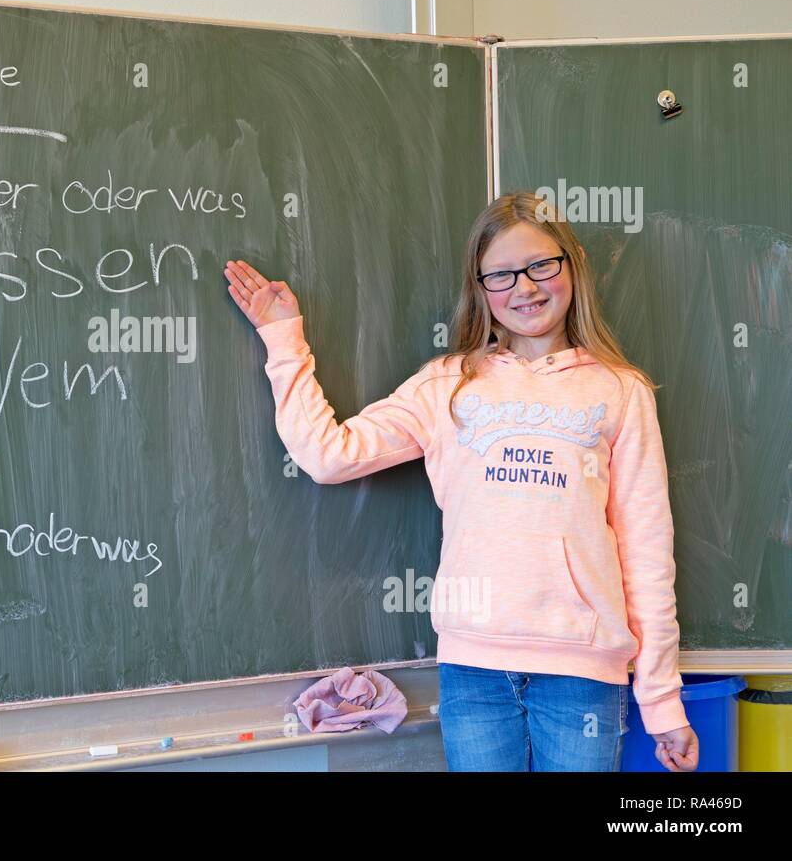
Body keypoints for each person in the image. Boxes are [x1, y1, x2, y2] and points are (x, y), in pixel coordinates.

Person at [225, 192, 699, 772]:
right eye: (501, 274)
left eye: (541, 265)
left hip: (583, 671)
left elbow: (648, 553)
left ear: (570, 265)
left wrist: (662, 703)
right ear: (480, 287)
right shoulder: (446, 386)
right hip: (474, 669)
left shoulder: (621, 392)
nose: (524, 287)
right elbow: (328, 456)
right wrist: (283, 340)